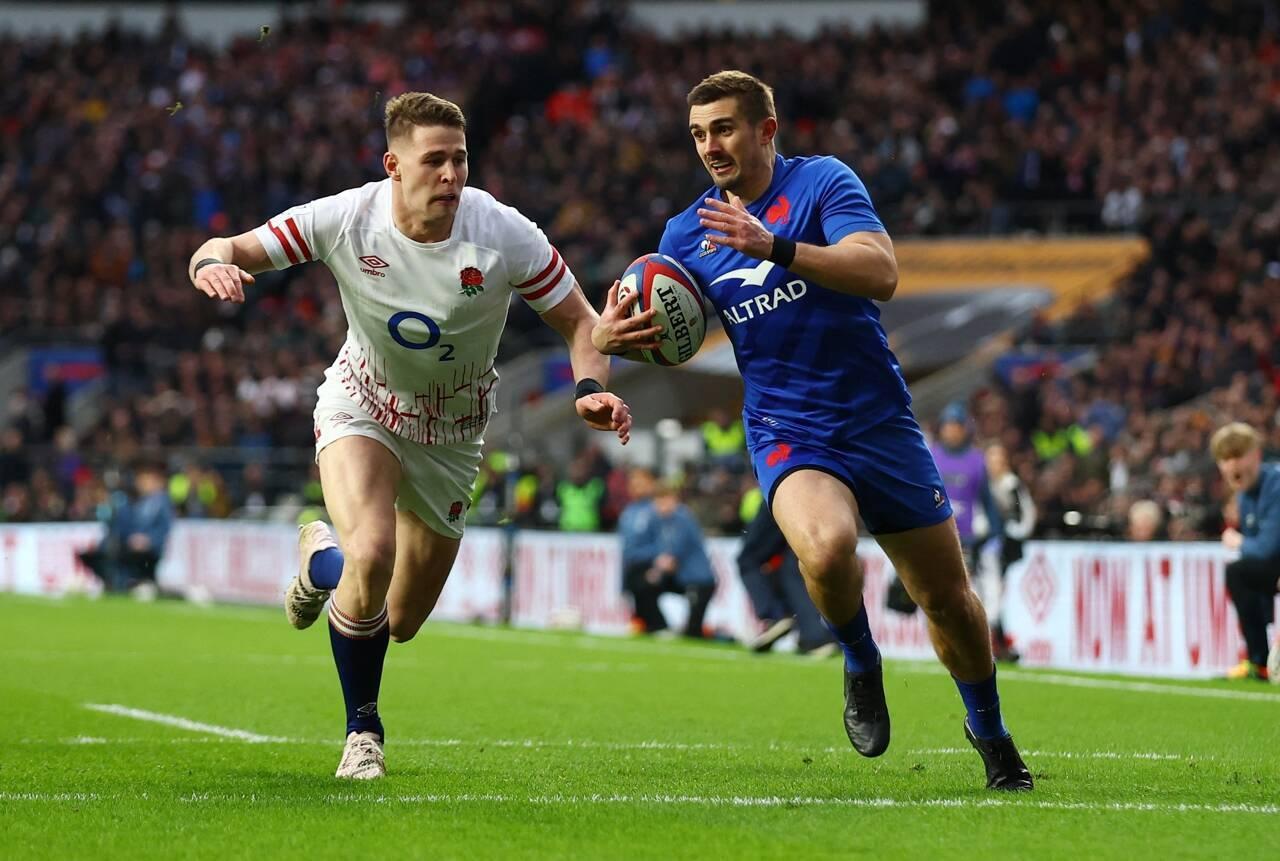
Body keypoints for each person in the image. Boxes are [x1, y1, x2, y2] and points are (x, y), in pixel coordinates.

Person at [592, 71, 1030, 789]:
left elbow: (881, 272)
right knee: (826, 549)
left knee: (947, 598)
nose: (710, 146)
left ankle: (989, 729)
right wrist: (608, 351)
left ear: (767, 129)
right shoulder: (687, 233)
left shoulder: (824, 183)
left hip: (878, 419)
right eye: (699, 134)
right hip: (787, 426)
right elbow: (643, 322)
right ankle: (860, 660)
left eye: (725, 128)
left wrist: (776, 247)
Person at [188, 92, 638, 779]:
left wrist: (588, 389)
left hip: (452, 435)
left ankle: (320, 561)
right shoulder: (345, 218)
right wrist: (208, 264)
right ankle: (363, 730)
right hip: (362, 404)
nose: (453, 175)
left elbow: (582, 323)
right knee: (374, 551)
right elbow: (230, 245)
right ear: (393, 166)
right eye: (436, 161)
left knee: (398, 617)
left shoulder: (503, 233)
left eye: (460, 159)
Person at [1210, 422, 1280, 682]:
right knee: (1241, 573)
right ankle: (1258, 662)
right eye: (1226, 459)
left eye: (1238, 456)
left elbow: (1266, 548)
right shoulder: (1244, 494)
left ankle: (1260, 660)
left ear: (1257, 454)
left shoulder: (1276, 485)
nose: (1233, 465)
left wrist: (1236, 540)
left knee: (1240, 572)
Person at [618, 470, 716, 638]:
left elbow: (672, 555)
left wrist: (656, 571)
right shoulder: (662, 521)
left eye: (665, 500)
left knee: (693, 634)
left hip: (699, 581)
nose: (660, 506)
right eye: (658, 501)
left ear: (673, 500)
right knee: (641, 583)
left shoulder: (682, 518)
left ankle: (666, 628)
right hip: (680, 577)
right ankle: (656, 625)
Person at [737, 500, 833, 655]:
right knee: (793, 570)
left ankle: (775, 615)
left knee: (748, 560)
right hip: (823, 503)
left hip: (784, 493)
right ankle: (814, 636)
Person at [79, 460, 174, 597]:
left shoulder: (161, 502)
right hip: (129, 545)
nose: (141, 483)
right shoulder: (137, 501)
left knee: (120, 556)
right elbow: (121, 526)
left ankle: (127, 585)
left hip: (148, 550)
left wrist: (150, 540)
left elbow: (165, 528)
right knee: (108, 553)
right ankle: (117, 584)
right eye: (140, 480)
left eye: (145, 480)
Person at [984, 443, 1036, 662]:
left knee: (994, 595)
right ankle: (999, 643)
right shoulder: (985, 484)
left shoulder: (1010, 484)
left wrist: (1011, 535)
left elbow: (1025, 515)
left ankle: (996, 643)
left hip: (1003, 548)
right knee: (989, 594)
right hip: (986, 545)